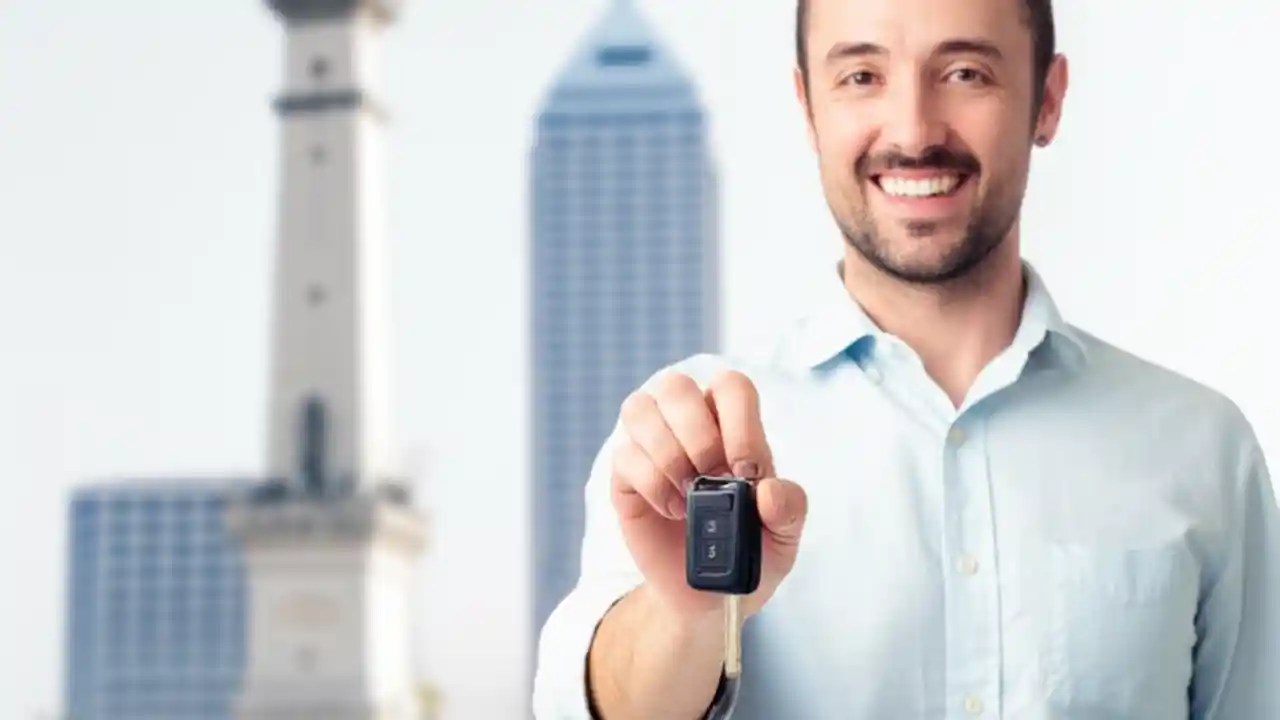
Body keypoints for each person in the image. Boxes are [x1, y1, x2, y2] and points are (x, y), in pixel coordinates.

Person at [532, 0, 1280, 717]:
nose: (914, 130)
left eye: (965, 73)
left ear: (1046, 101)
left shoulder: (1202, 449)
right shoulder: (696, 435)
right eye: (861, 76)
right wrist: (687, 609)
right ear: (808, 109)